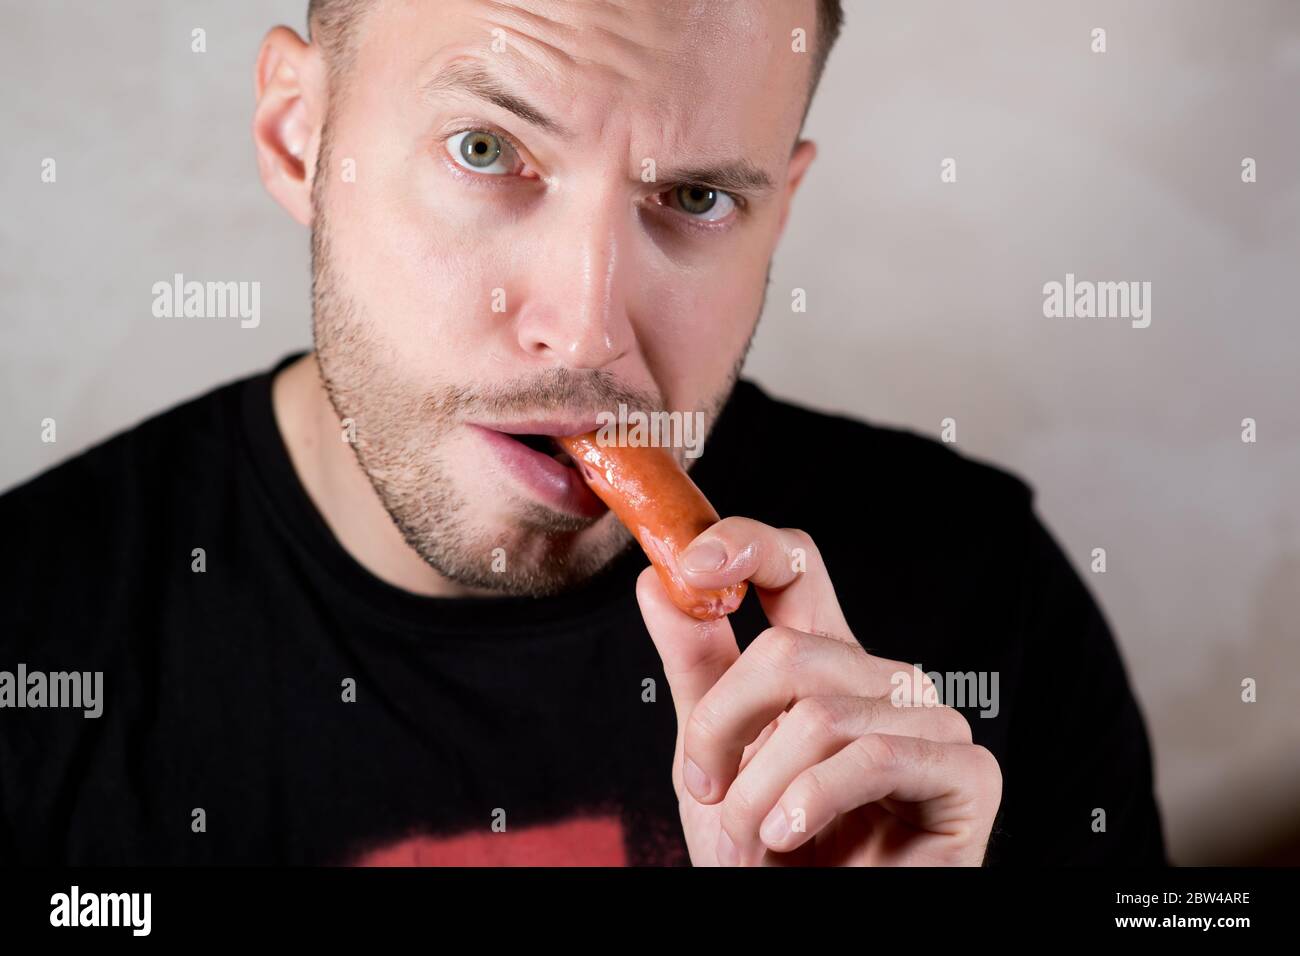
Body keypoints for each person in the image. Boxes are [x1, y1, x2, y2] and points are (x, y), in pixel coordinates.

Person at [0, 0, 1165, 866]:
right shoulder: (33, 625)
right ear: (299, 135)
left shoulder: (977, 596)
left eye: (696, 198)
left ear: (780, 214)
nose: (588, 332)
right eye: (486, 150)